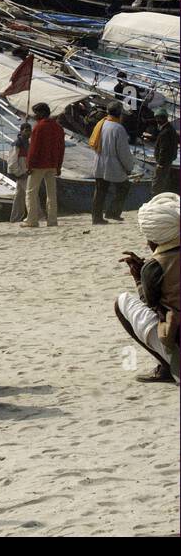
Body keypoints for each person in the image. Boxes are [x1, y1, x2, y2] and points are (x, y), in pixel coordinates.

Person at [113, 192, 179, 383]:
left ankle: (166, 368)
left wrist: (139, 279)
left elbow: (151, 305)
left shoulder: (155, 265)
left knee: (122, 302)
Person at [90, 102, 134, 224]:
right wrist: (129, 167)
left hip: (99, 161)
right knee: (124, 187)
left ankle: (96, 217)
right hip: (113, 163)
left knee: (100, 190)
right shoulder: (118, 128)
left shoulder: (101, 123)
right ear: (119, 114)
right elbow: (123, 152)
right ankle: (113, 212)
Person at [22, 102, 63, 228]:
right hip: (52, 164)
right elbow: (61, 148)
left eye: (36, 113)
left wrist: (29, 165)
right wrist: (59, 165)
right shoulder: (58, 127)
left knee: (31, 192)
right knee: (51, 194)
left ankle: (32, 220)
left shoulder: (38, 127)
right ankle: (52, 220)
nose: (35, 116)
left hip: (38, 165)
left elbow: (34, 149)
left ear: (42, 113)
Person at [7, 122, 32, 224]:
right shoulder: (17, 143)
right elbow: (12, 161)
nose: (28, 133)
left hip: (24, 172)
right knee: (30, 194)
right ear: (21, 131)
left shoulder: (27, 143)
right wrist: (19, 173)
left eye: (29, 130)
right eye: (26, 130)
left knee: (19, 196)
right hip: (21, 173)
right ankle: (37, 215)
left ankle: (15, 218)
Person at [151, 109, 177, 197]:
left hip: (163, 164)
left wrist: (160, 164)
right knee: (163, 182)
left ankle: (154, 201)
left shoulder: (165, 132)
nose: (156, 121)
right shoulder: (170, 129)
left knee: (157, 184)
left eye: (157, 119)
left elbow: (164, 149)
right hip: (168, 161)